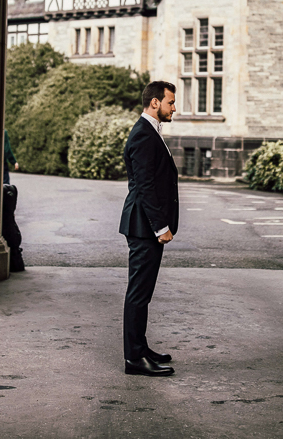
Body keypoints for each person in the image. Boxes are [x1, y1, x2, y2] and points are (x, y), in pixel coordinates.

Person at [120, 80, 179, 376]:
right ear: (154, 103)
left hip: (146, 225)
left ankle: (140, 348)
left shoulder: (150, 130)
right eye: (170, 102)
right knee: (138, 294)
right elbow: (144, 187)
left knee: (143, 293)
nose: (174, 108)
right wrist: (160, 227)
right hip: (144, 226)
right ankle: (134, 359)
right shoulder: (144, 134)